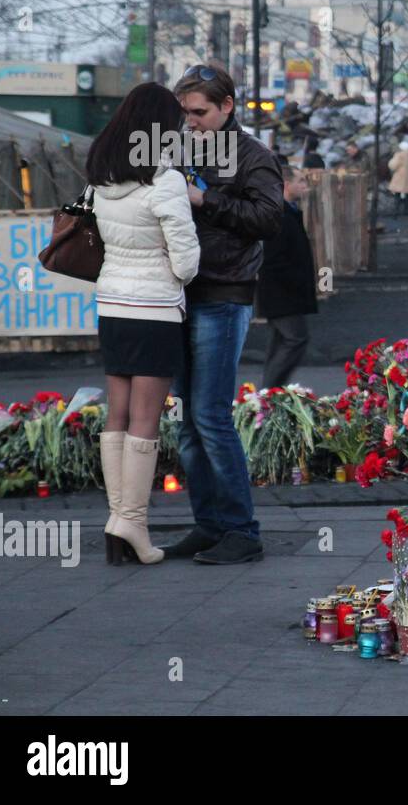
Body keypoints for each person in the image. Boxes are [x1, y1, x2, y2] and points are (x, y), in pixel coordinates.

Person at [161, 62, 284, 565]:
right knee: (189, 419)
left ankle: (241, 529)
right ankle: (209, 523)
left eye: (199, 112)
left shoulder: (254, 155)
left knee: (211, 416)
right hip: (179, 294)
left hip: (224, 294)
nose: (190, 122)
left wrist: (203, 199)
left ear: (227, 106)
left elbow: (268, 219)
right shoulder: (175, 149)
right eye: (183, 113)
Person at [90, 83, 200, 565]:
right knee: (145, 420)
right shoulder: (166, 180)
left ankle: (118, 519)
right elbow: (187, 262)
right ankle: (132, 521)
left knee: (116, 415)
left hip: (112, 306)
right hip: (154, 311)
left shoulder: (102, 174)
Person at [257, 164, 317, 389]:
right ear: (286, 184)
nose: (304, 186)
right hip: (281, 292)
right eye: (300, 181)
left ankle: (269, 392)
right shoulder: (280, 213)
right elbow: (273, 258)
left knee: (280, 340)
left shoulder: (287, 211)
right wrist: (295, 283)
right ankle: (270, 391)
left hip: (283, 291)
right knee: (295, 338)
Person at [387, 139, 408, 216]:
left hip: (400, 177)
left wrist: (390, 161)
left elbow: (392, 166)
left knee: (397, 195)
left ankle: (396, 211)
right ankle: (406, 211)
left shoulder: (399, 155)